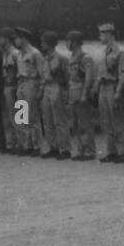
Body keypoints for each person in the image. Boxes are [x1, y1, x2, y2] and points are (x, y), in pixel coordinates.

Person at [96, 23, 124, 163]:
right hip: (103, 88)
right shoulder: (105, 52)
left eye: (103, 34)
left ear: (111, 34)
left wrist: (118, 92)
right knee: (106, 122)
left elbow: (123, 74)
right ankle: (112, 152)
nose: (100, 36)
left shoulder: (121, 52)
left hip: (113, 87)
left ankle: (122, 152)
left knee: (117, 121)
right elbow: (101, 73)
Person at [12, 27, 46, 156]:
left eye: (17, 38)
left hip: (31, 83)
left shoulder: (35, 53)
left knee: (32, 117)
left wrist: (40, 89)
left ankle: (37, 146)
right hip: (21, 84)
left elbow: (42, 74)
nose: (16, 41)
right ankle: (27, 145)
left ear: (24, 38)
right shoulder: (19, 54)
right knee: (22, 116)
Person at [40, 30, 73, 160]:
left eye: (44, 42)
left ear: (50, 44)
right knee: (47, 120)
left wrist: (65, 93)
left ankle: (65, 149)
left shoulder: (61, 58)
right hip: (47, 87)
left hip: (57, 87)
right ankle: (53, 147)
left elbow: (67, 77)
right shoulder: (45, 59)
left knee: (60, 120)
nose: (42, 44)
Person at [66, 30, 98, 160]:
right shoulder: (72, 57)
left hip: (80, 92)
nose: (67, 44)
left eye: (68, 41)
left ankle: (89, 151)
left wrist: (85, 94)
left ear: (74, 42)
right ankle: (80, 150)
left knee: (84, 123)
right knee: (75, 124)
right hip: (73, 93)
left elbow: (89, 78)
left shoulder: (85, 57)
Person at [0, 27, 20, 153]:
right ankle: (11, 143)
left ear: (6, 39)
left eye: (1, 38)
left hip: (14, 87)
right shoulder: (5, 54)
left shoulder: (15, 54)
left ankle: (21, 143)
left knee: (18, 117)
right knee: (7, 117)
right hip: (6, 86)